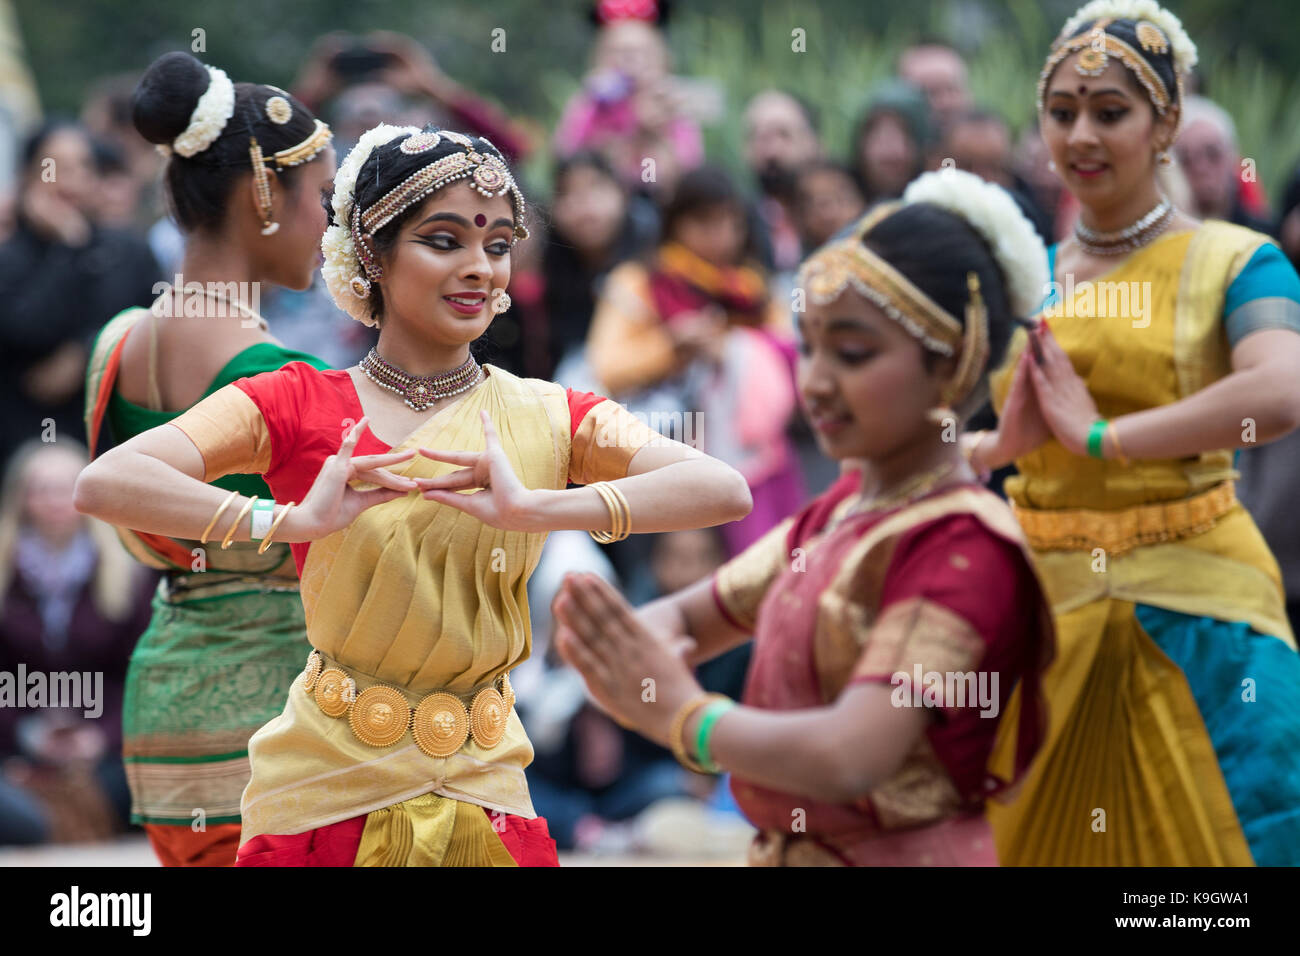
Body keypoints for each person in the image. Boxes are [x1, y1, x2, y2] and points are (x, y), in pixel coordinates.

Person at [74, 122, 752, 867]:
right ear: (373, 251)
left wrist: (540, 509)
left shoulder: (548, 414)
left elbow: (721, 489)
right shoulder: (298, 401)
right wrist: (285, 520)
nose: (479, 269)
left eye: (497, 245)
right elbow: (108, 482)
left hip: (486, 789)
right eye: (444, 240)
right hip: (325, 792)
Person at [553, 168, 1057, 866]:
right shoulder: (839, 516)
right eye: (811, 346)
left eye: (852, 352)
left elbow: (851, 756)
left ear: (951, 364)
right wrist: (616, 648)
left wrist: (688, 719)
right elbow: (688, 622)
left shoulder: (964, 546)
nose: (814, 380)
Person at [967, 0, 1300, 865]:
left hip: (1199, 609)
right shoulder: (1024, 279)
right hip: (1046, 613)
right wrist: (989, 455)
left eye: (1111, 112)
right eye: (1063, 112)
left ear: (1167, 123)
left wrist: (1106, 438)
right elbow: (978, 436)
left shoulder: (1236, 259)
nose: (1081, 134)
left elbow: (1282, 390)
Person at [80, 51, 338, 866]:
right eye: (323, 199)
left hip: (166, 705)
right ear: (264, 195)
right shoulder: (275, 381)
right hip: (270, 723)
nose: (329, 227)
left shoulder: (119, 342)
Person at [585, 165, 803, 558]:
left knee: (765, 560)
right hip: (660, 457)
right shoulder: (637, 281)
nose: (722, 237)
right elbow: (610, 367)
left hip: (756, 458)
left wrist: (729, 346)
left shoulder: (751, 287)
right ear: (676, 224)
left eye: (731, 224)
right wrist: (672, 346)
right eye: (706, 223)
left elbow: (788, 354)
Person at [0, 439, 155, 845]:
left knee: (151, 785)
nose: (56, 501)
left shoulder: (129, 571)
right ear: (21, 498)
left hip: (107, 749)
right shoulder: (4, 572)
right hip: (13, 749)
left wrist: (100, 736)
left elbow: (147, 676)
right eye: (42, 489)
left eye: (68, 487)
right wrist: (26, 734)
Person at [0, 120, 161, 473]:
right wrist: (67, 249)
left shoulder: (128, 252)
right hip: (21, 451)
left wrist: (86, 352)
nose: (69, 180)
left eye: (83, 168)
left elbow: (156, 334)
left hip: (111, 445)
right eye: (54, 167)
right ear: (29, 175)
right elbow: (21, 330)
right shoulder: (9, 256)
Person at [1174, 95, 1273, 235]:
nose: (1201, 168)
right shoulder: (1162, 240)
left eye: (1213, 153)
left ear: (1233, 157)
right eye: (1186, 159)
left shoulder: (1266, 239)